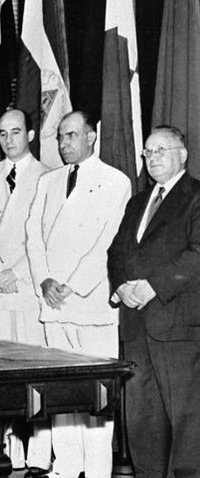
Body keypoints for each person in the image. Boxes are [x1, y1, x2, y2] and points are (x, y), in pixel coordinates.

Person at [25, 111, 130, 478]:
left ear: (92, 136)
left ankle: (98, 472)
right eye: (60, 137)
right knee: (61, 392)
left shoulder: (116, 182)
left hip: (91, 302)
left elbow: (108, 242)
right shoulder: (48, 181)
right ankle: (66, 468)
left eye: (72, 135)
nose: (64, 143)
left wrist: (71, 284)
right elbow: (32, 235)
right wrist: (44, 281)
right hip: (53, 304)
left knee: (96, 396)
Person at [108, 125, 200, 478]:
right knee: (143, 424)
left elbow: (197, 253)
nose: (152, 158)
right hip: (136, 327)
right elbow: (116, 252)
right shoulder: (137, 202)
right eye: (148, 152)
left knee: (188, 426)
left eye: (161, 150)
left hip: (178, 329)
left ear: (183, 154)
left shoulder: (195, 196)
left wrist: (152, 287)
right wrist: (121, 287)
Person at [0, 109, 51, 473]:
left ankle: (38, 455)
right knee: (2, 373)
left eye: (16, 132)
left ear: (30, 135)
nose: (8, 140)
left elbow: (44, 234)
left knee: (34, 371)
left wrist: (14, 272)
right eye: (2, 133)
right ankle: (8, 453)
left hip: (28, 286)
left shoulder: (48, 176)